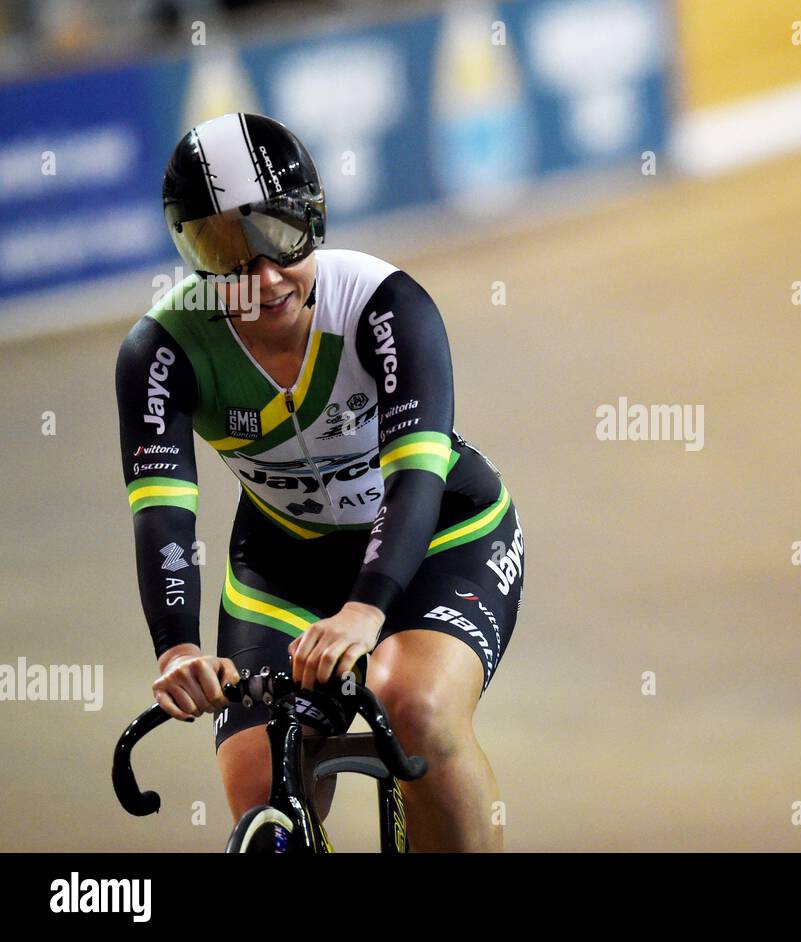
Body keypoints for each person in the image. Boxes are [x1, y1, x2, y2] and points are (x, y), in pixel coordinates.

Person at [115, 112, 524, 852]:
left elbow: (413, 483)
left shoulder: (386, 306)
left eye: (279, 238)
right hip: (283, 566)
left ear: (316, 220)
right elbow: (163, 519)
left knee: (415, 707)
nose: (264, 278)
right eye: (226, 253)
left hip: (440, 534)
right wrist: (176, 648)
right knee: (257, 783)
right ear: (190, 255)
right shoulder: (162, 350)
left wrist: (367, 612)